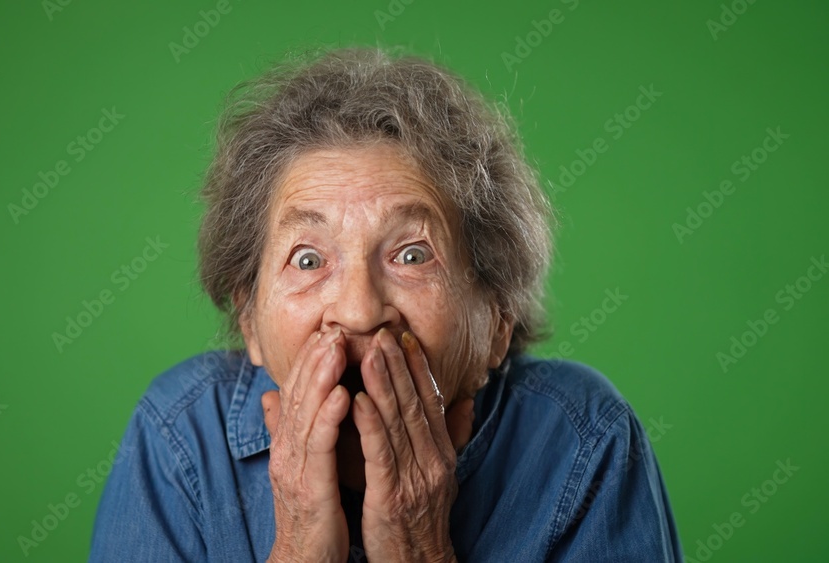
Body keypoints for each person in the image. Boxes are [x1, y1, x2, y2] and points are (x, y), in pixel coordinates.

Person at [90, 47, 682, 562]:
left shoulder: (584, 439)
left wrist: (418, 550)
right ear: (250, 320)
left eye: (412, 255)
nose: (358, 310)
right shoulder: (176, 435)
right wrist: (297, 550)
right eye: (307, 259)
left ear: (497, 322)